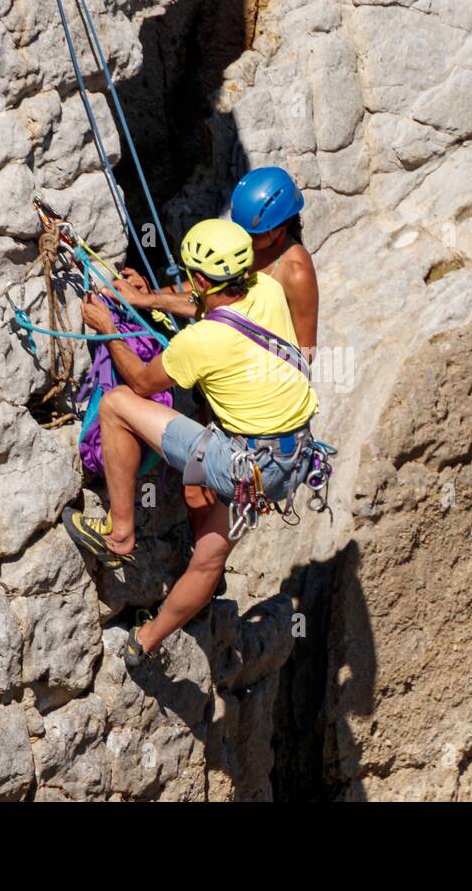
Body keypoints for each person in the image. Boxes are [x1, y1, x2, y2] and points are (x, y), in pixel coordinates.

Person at [62, 218, 320, 669]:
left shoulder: (203, 341)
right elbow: (204, 305)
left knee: (118, 405)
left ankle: (119, 533)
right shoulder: (266, 289)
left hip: (240, 462)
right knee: (208, 560)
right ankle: (144, 641)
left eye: (191, 276)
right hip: (288, 459)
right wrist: (145, 297)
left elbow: (142, 381)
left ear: (201, 279)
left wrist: (107, 324)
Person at [109, 167, 319, 353]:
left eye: (253, 233)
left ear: (280, 229)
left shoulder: (296, 272)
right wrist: (150, 294)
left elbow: (306, 350)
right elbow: (209, 291)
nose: (244, 236)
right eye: (241, 228)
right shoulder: (251, 246)